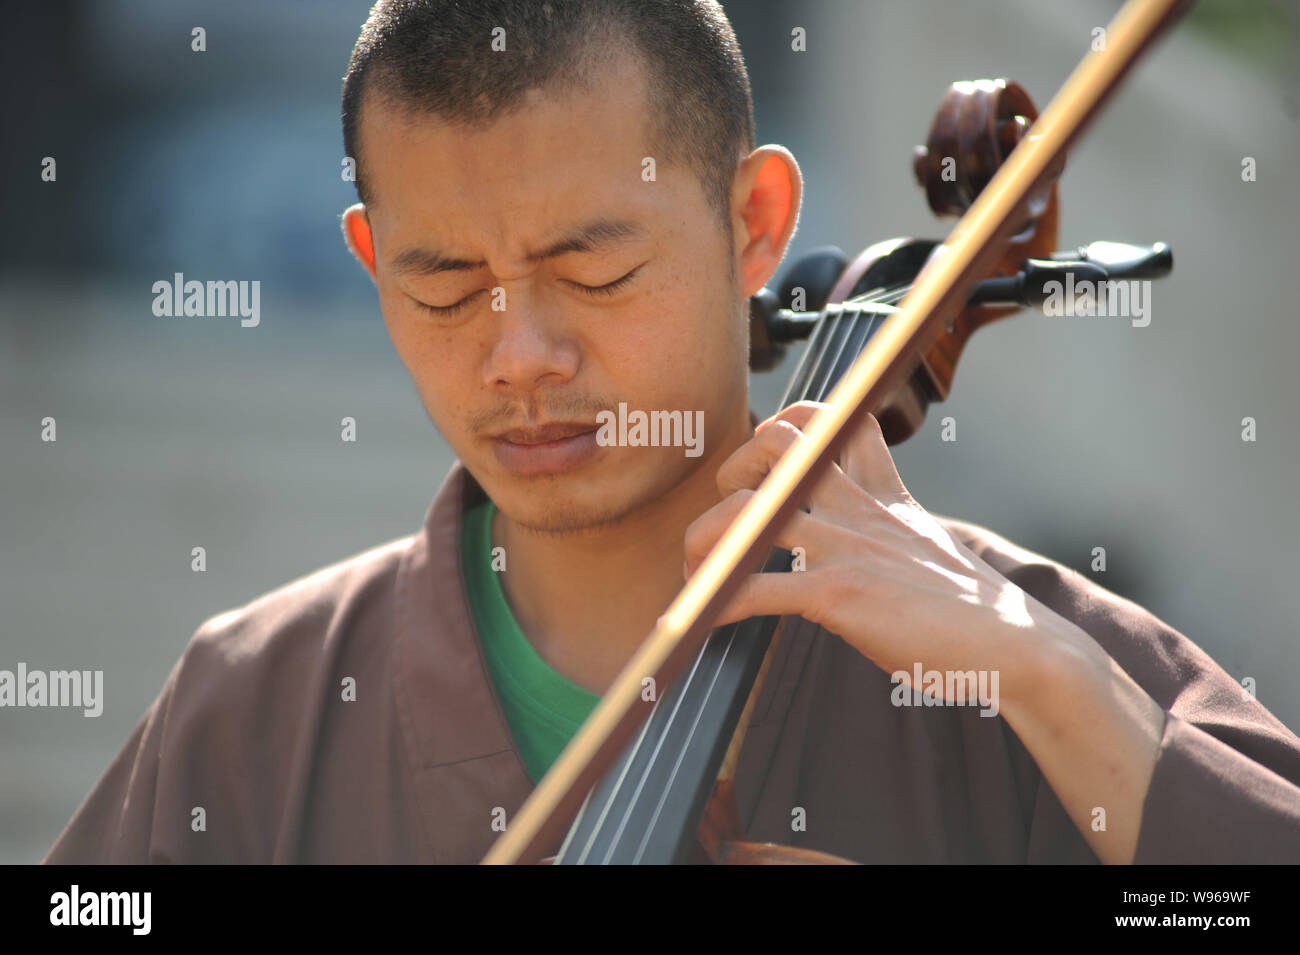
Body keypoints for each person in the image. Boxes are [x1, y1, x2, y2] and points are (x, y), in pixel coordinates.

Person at [45, 0, 1300, 865]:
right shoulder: (256, 706)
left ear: (752, 223)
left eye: (591, 273)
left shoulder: (1024, 658)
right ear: (371, 264)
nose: (519, 352)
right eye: (442, 286)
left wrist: (1045, 676)